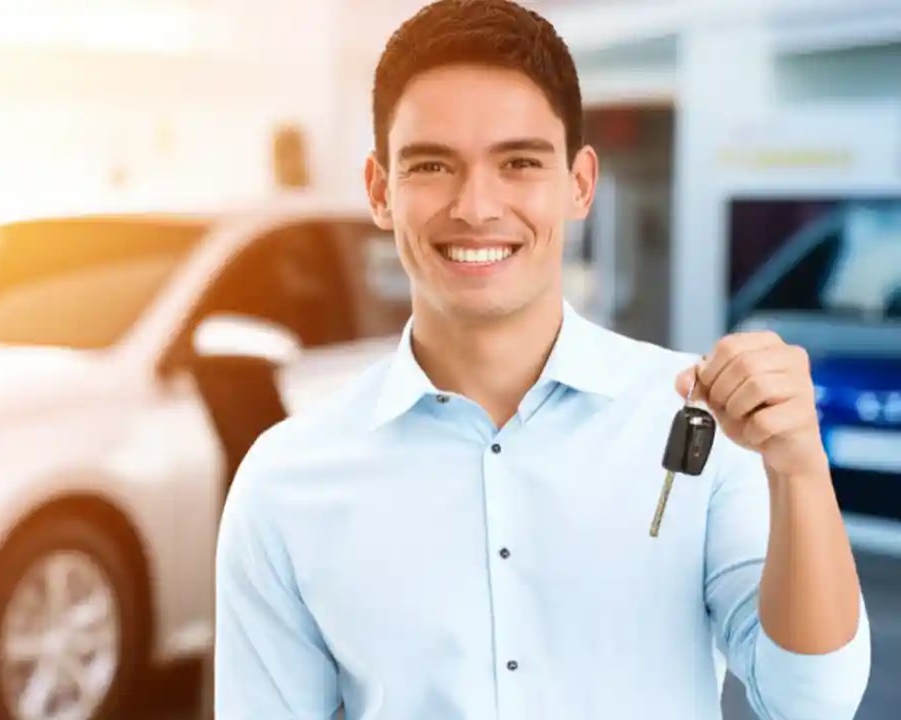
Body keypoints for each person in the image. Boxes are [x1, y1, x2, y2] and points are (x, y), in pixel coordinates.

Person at [212, 1, 872, 718]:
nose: (475, 206)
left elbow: (815, 702)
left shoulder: (702, 423)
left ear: (579, 184)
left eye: (518, 163)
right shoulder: (286, 481)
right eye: (432, 165)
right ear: (380, 191)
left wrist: (800, 469)